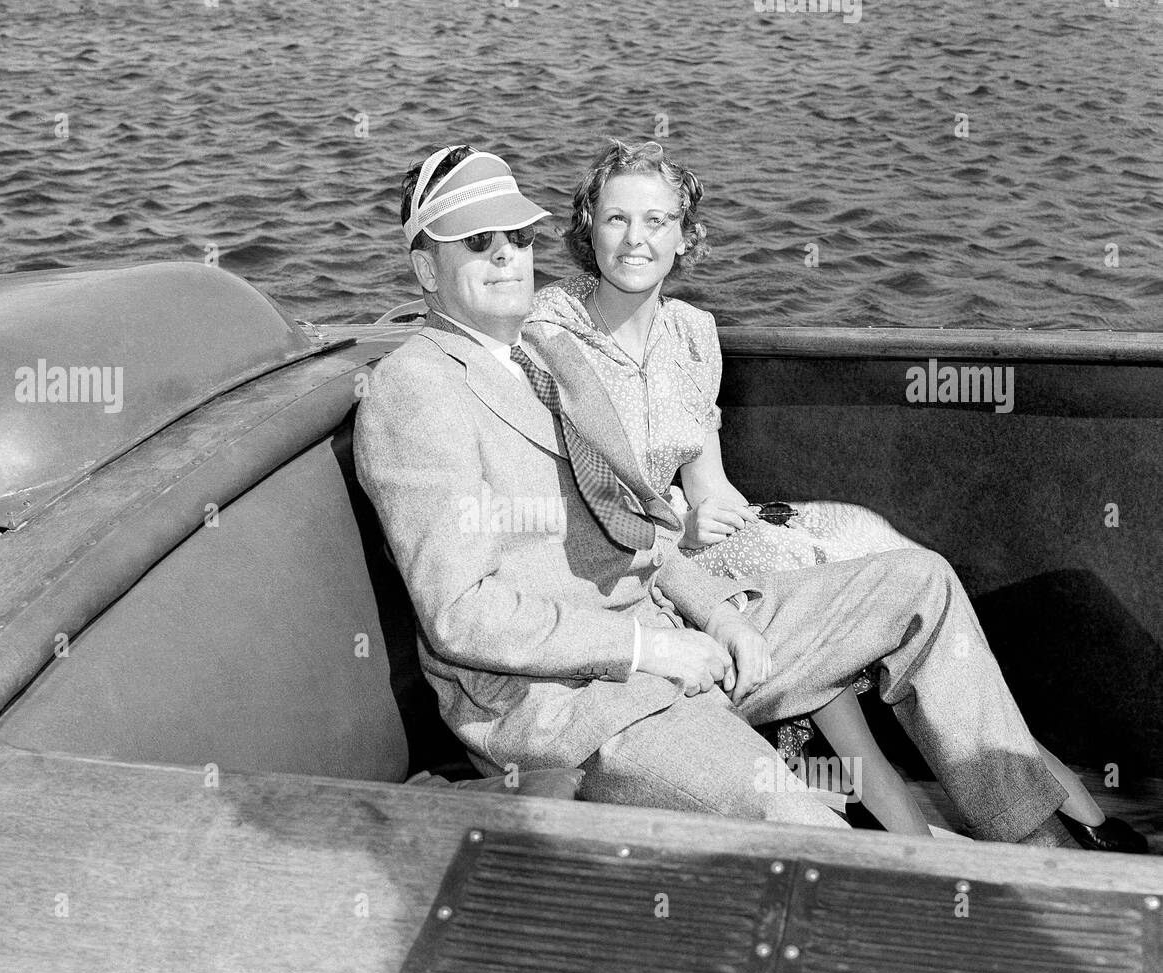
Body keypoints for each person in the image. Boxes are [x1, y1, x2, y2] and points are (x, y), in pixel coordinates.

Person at [354, 142, 1079, 847]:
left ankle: (1040, 846)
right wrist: (650, 650)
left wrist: (720, 616)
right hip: (569, 710)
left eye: (517, 235)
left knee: (921, 586)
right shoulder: (416, 392)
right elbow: (461, 615)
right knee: (812, 834)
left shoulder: (544, 358)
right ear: (425, 266)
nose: (508, 255)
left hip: (672, 638)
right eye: (477, 242)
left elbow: (635, 527)